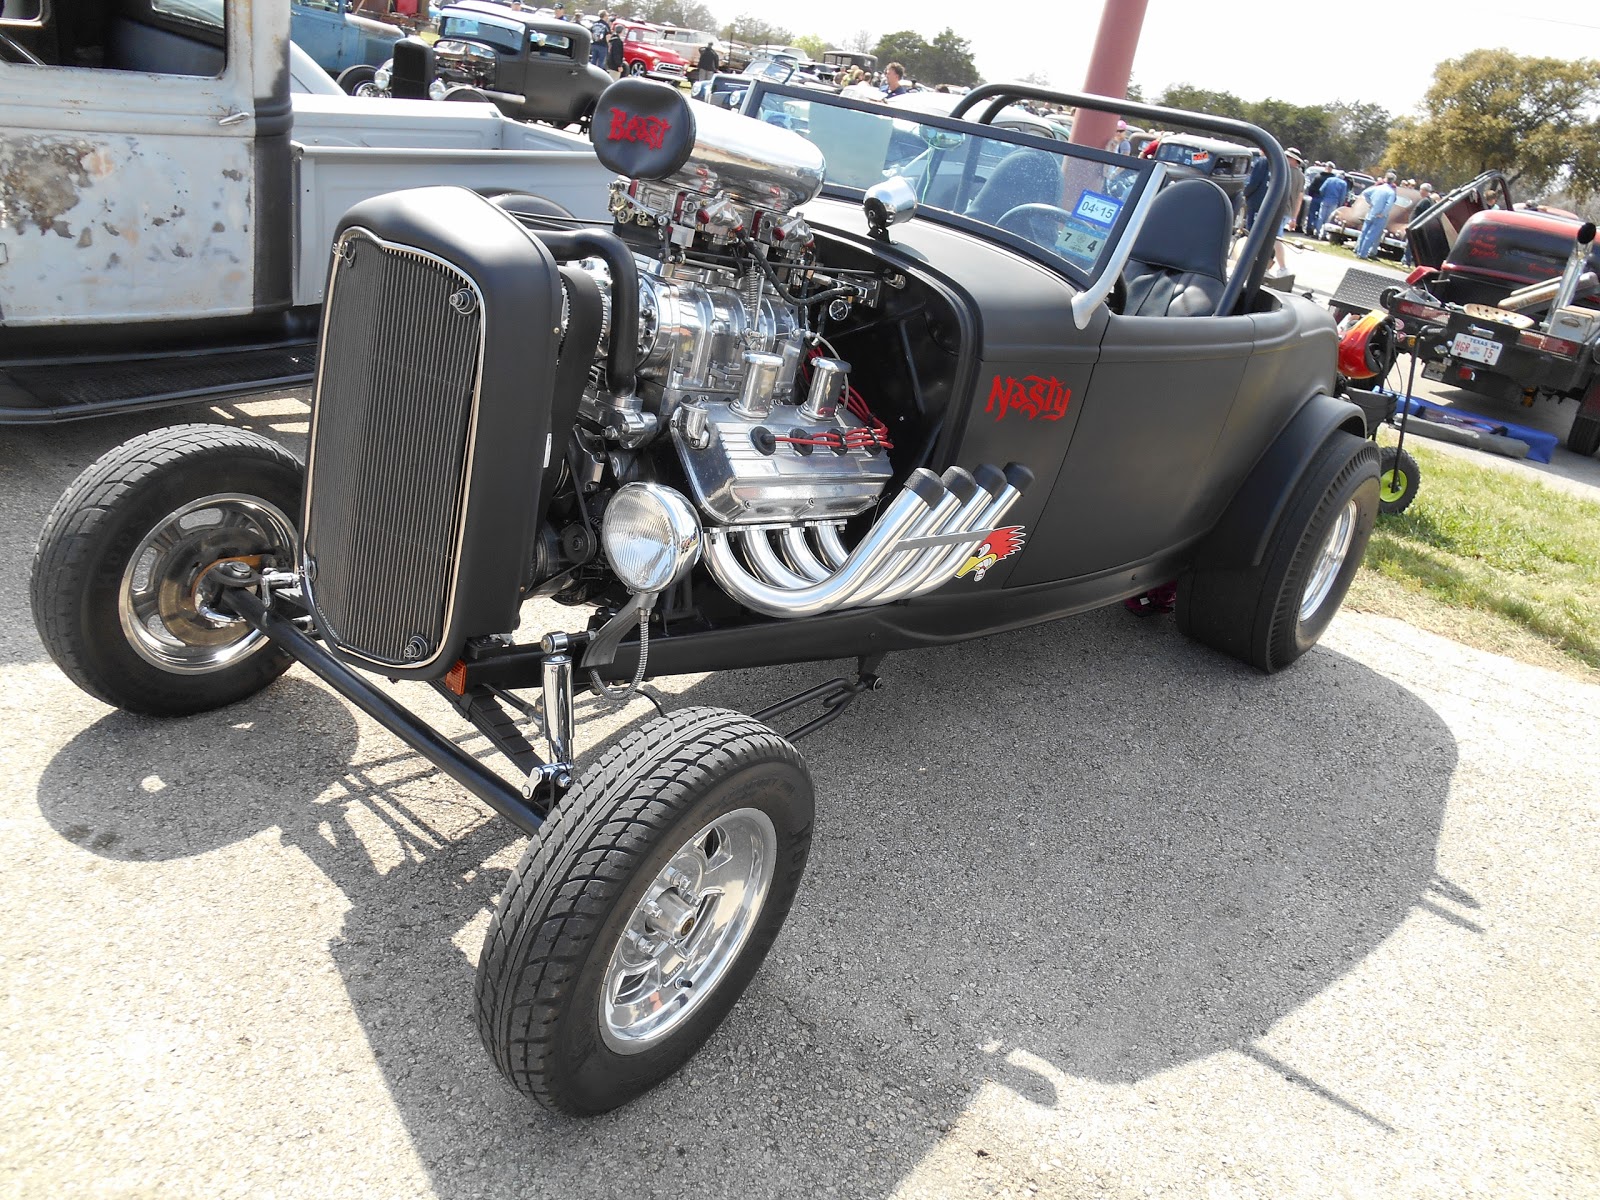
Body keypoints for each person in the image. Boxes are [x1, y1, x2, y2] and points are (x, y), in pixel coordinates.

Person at [1356, 170, 1398, 260]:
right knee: (1371, 235)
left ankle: (1358, 250)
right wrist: (1383, 213)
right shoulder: (1391, 192)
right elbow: (1389, 204)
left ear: (1385, 179)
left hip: (1371, 212)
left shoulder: (1377, 188)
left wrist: (1370, 202)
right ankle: (1363, 254)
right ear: (1393, 181)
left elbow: (1365, 193)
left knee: (1364, 233)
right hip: (1380, 216)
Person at [1315, 169, 1349, 236]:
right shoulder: (1343, 183)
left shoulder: (1329, 179)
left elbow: (1321, 190)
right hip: (1334, 202)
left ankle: (1317, 232)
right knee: (1329, 218)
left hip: (1325, 200)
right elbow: (1342, 196)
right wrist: (1340, 204)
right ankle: (1324, 234)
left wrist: (1323, 197)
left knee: (1321, 216)